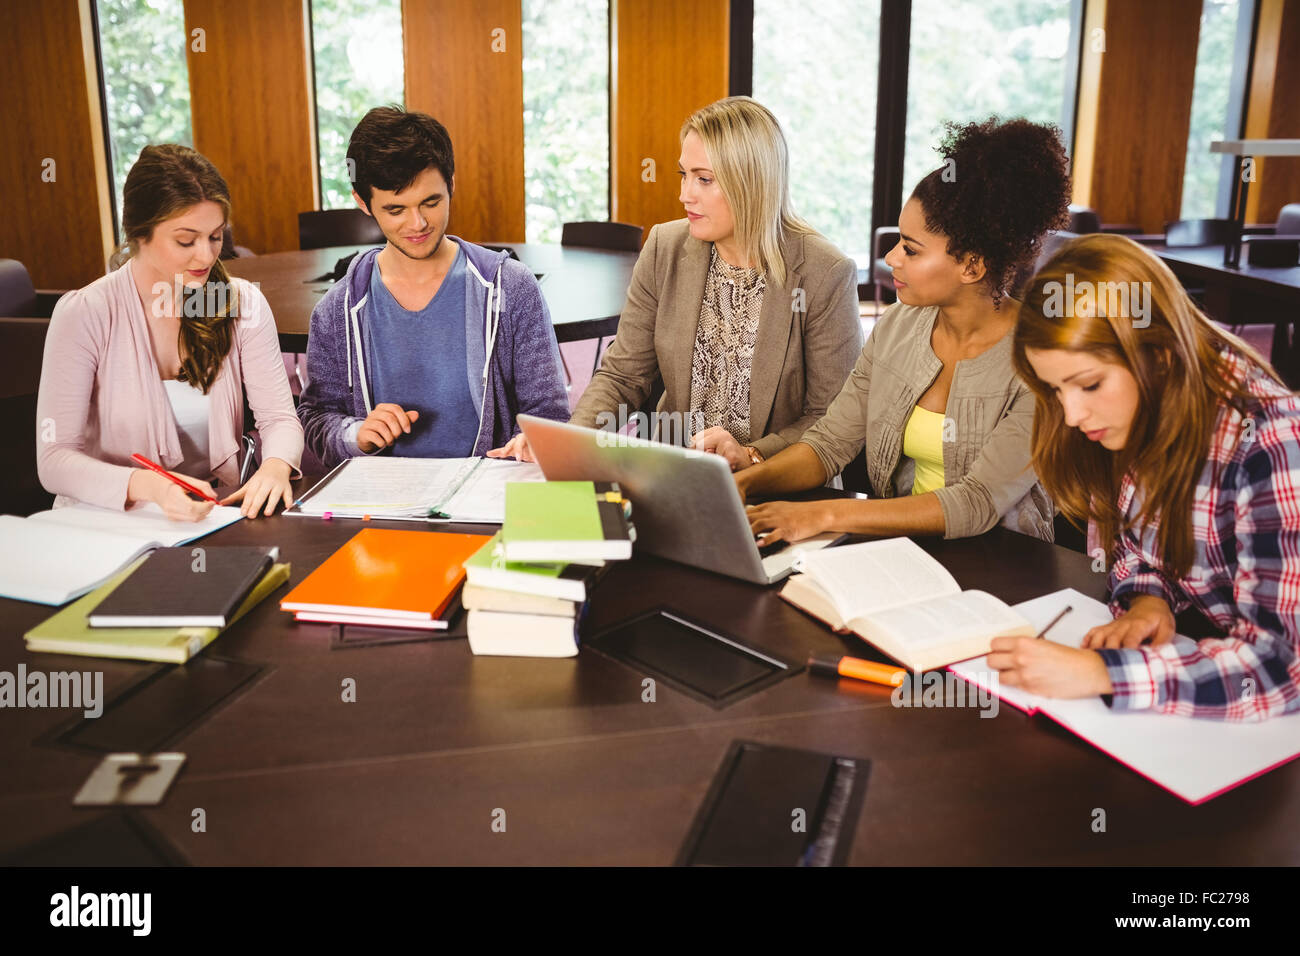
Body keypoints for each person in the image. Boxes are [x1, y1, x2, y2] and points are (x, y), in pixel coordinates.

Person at [991, 233, 1300, 720]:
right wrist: (1149, 600)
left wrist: (1101, 674)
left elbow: (1282, 667)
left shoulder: (1271, 442)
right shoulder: (1137, 411)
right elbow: (1138, 548)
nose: (1071, 415)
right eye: (1055, 390)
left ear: (1158, 353)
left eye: (1089, 384)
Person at [738, 117, 1071, 544]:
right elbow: (829, 443)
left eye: (911, 249)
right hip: (898, 552)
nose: (892, 257)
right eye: (899, 240)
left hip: (1002, 566)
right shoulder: (897, 325)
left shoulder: (1040, 359)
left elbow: (976, 503)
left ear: (972, 265)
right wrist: (745, 483)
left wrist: (823, 515)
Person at [489, 96, 863, 464]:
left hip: (777, 489)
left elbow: (829, 419)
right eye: (684, 175)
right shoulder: (664, 247)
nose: (684, 194)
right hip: (674, 475)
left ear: (752, 183)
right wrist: (569, 441)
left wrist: (752, 455)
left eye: (704, 179)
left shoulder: (825, 273)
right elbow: (624, 374)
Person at [36, 144, 303, 521]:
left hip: (210, 518)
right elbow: (54, 460)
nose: (207, 256)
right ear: (139, 234)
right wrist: (152, 488)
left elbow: (279, 419)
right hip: (104, 523)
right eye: (185, 240)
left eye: (215, 236)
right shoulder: (86, 313)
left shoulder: (240, 303)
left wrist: (276, 466)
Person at [298, 107, 568, 467]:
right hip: (383, 499)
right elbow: (318, 418)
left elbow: (550, 415)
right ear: (363, 203)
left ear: (451, 184)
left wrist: (531, 441)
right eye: (396, 210)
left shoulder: (511, 288)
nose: (418, 223)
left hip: (487, 494)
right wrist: (355, 433)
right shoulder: (336, 310)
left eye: (431, 201)